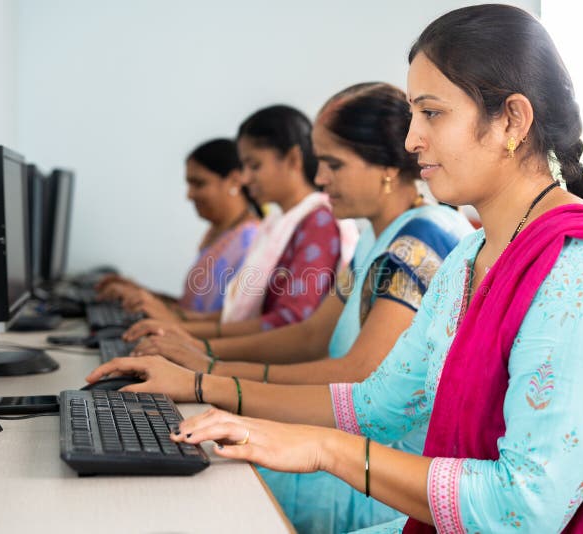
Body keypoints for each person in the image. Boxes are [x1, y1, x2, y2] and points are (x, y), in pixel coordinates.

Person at [162, 5, 583, 532]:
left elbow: (528, 510)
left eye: (432, 113)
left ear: (511, 119)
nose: (411, 139)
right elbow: (376, 402)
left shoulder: (577, 270)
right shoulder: (467, 258)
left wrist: (320, 447)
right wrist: (216, 396)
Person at [88, 82, 471, 532]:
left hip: (381, 473)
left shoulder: (420, 239)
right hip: (345, 442)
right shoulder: (372, 238)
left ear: (387, 166)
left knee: (206, 475)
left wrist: (205, 380)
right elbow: (311, 335)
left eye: (332, 164)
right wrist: (206, 365)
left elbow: (357, 374)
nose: (320, 179)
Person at [123, 105, 358, 340]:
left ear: (293, 159)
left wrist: (185, 332)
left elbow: (289, 321)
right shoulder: (276, 224)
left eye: (255, 166)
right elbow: (244, 313)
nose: (245, 178)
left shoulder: (318, 222)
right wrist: (177, 321)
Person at [96, 139, 259, 317]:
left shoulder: (251, 240)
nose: (189, 195)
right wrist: (139, 292)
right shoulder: (218, 233)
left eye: (199, 184)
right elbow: (192, 309)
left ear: (234, 180)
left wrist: (148, 302)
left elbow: (227, 322)